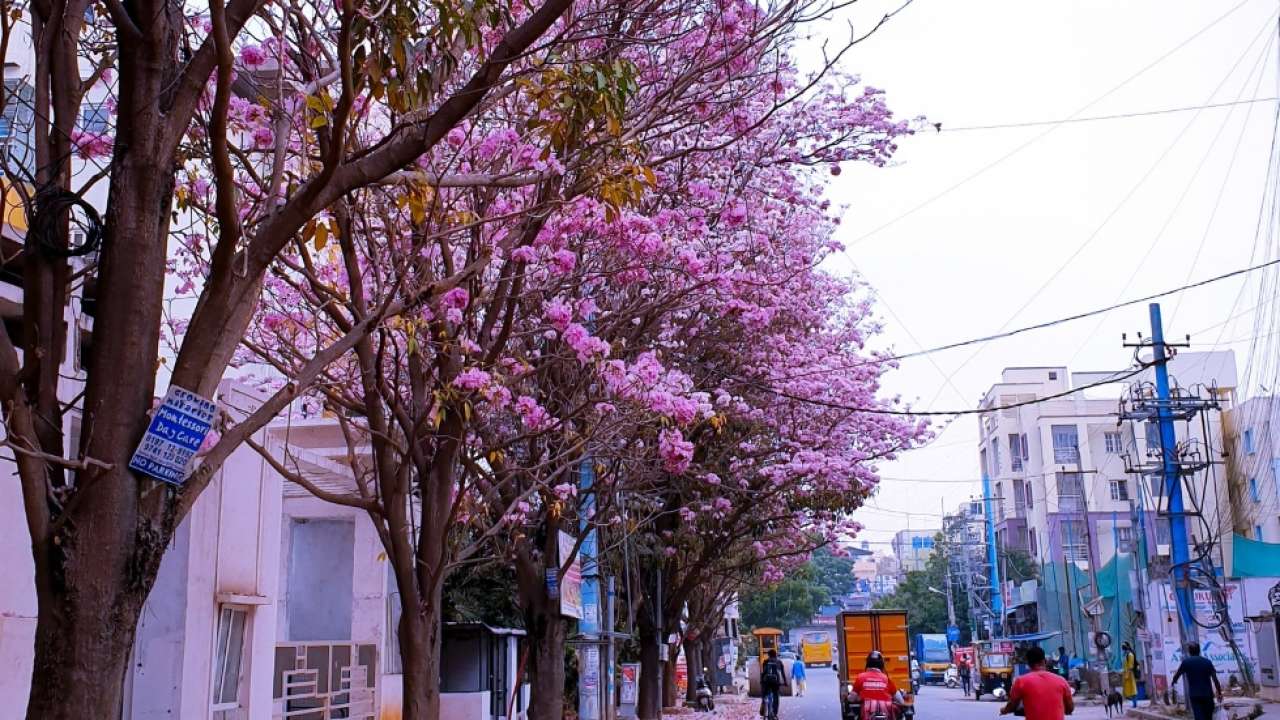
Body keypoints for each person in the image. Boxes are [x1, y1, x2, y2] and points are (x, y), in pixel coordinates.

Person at [1000, 646, 1074, 720]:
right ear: (1045, 661)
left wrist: (1004, 710)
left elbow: (1012, 705)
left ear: (1028, 664)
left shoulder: (1021, 681)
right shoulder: (1061, 680)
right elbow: (1070, 708)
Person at [1171, 642, 1222, 720]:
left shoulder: (1186, 662)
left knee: (1199, 716)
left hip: (1195, 695)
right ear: (1199, 651)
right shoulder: (1207, 662)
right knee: (1208, 717)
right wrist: (1219, 693)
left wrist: (1174, 682)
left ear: (1189, 652)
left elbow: (1177, 675)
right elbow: (1215, 679)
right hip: (1207, 695)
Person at [853, 650, 905, 720]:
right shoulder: (886, 679)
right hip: (887, 713)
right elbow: (900, 700)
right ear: (882, 664)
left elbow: (851, 698)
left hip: (866, 713)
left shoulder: (860, 677)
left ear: (867, 663)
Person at [761, 650, 786, 720]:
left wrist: (762, 682)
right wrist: (785, 682)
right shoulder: (779, 662)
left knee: (764, 694)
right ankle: (775, 714)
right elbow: (783, 673)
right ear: (775, 655)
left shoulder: (765, 661)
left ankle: (763, 704)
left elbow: (763, 673)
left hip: (767, 682)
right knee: (776, 697)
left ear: (769, 655)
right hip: (776, 683)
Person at [1121, 642, 1140, 708]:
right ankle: (1133, 703)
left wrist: (1127, 674)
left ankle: (1135, 704)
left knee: (1133, 689)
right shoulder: (1126, 655)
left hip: (1130, 675)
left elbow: (1130, 666)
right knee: (1129, 690)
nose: (1123, 650)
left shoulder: (1130, 655)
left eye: (1123, 648)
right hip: (1127, 674)